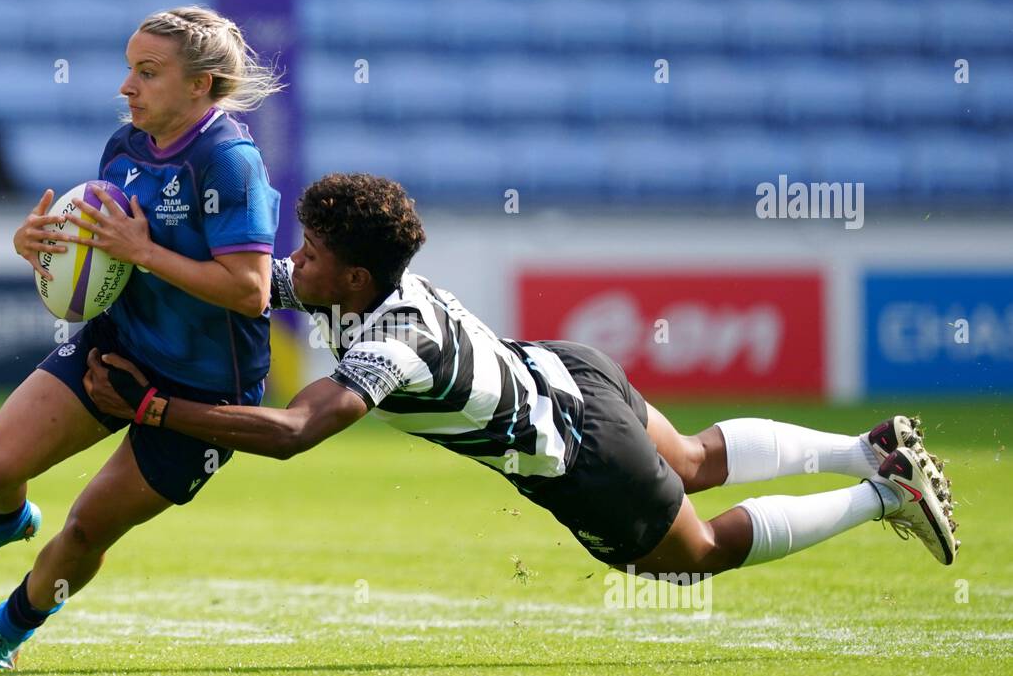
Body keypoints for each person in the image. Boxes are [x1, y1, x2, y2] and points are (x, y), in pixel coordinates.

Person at [85, 172, 960, 584]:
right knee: (691, 457)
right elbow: (246, 285)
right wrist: (133, 252)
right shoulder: (357, 284)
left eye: (309, 252)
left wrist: (155, 408)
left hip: (579, 452)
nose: (292, 260)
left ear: (352, 277)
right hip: (573, 369)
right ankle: (864, 445)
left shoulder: (394, 344)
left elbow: (291, 433)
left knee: (692, 558)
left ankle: (883, 494)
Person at [0, 6, 284, 671]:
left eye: (147, 72)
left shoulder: (230, 165)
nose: (126, 87)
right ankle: (3, 521)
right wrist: (40, 246)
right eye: (128, 69)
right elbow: (101, 258)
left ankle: (4, 633)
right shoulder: (125, 148)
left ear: (199, 86)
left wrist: (143, 252)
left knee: (87, 527)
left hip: (205, 391)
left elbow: (249, 291)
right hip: (119, 343)